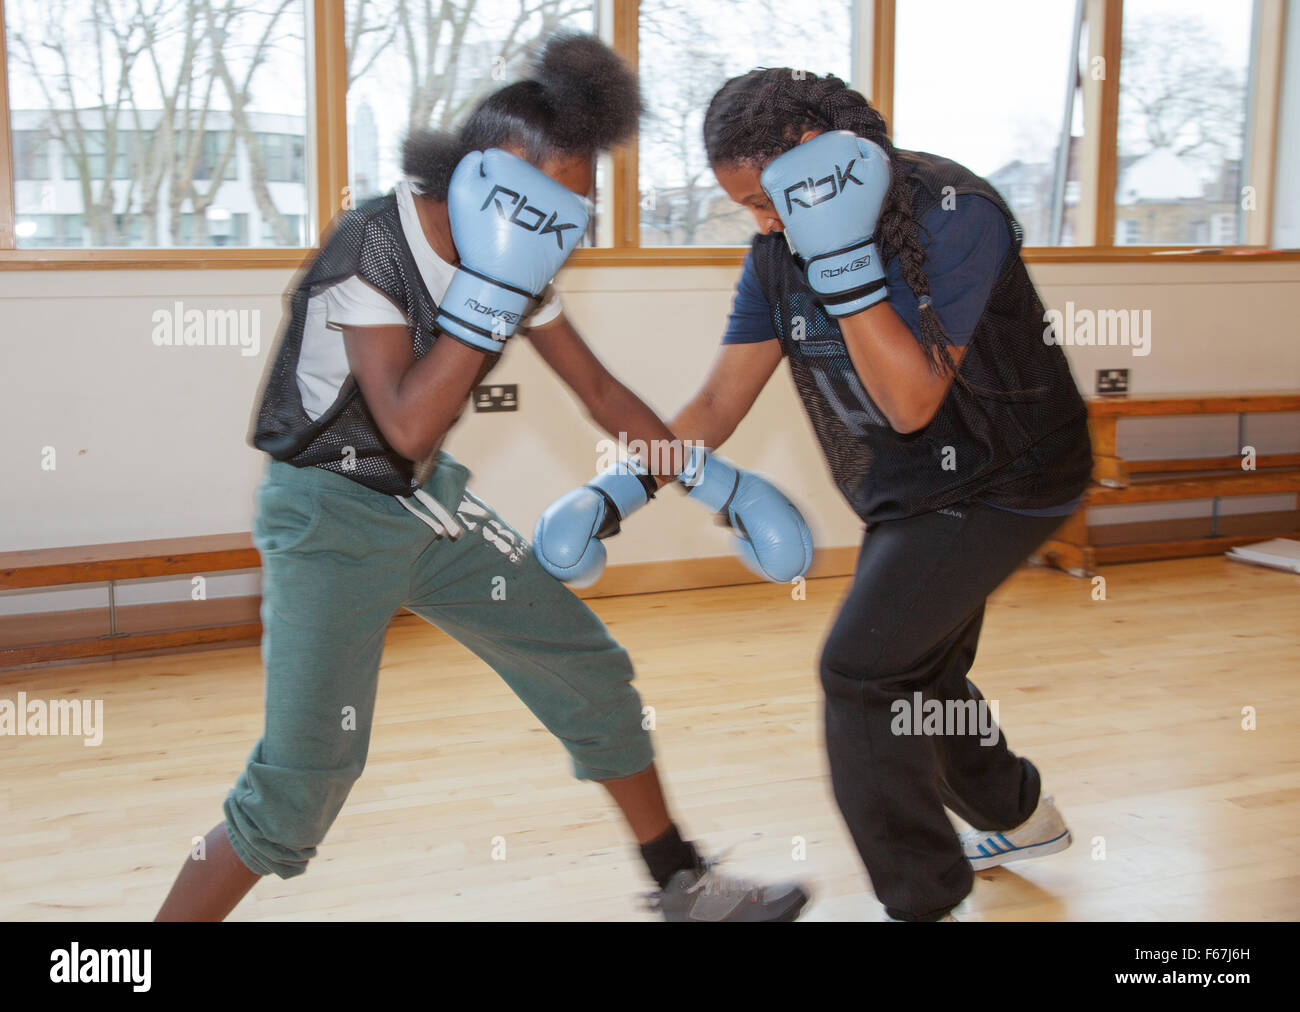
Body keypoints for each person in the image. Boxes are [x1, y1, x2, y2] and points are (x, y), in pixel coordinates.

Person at [154, 35, 813, 923]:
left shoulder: (519, 253)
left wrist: (708, 481)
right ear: (493, 175)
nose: (560, 227)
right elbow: (406, 422)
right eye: (552, 202)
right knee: (302, 783)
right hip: (327, 519)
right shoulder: (374, 247)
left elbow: (598, 389)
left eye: (576, 207)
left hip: (434, 506)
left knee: (589, 670)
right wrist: (492, 292)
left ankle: (680, 883)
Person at [547, 68, 1093, 922]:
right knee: (918, 667)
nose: (765, 225)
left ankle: (923, 898)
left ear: (818, 155)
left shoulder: (955, 212)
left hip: (1008, 477)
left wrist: (842, 259)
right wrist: (620, 491)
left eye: (769, 201)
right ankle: (1016, 812)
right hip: (911, 490)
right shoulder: (775, 253)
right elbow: (719, 404)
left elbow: (911, 400)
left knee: (862, 670)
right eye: (749, 210)